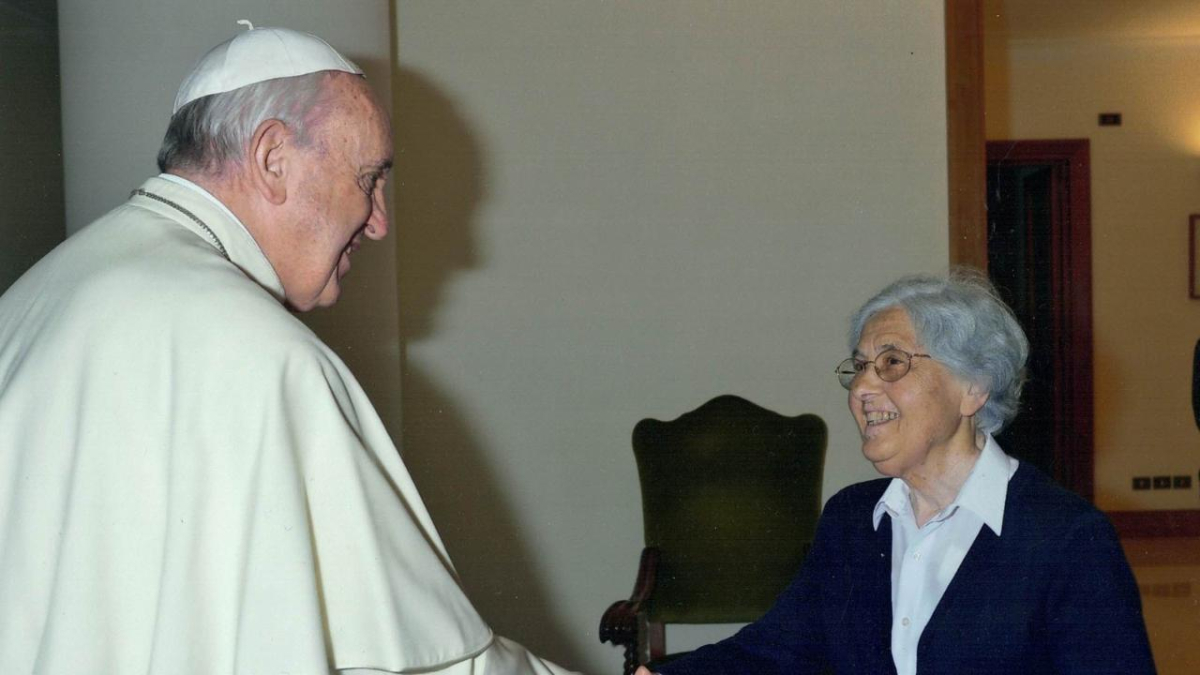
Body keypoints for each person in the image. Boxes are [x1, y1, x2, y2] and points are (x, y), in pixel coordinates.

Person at [0, 25, 574, 675]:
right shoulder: (262, 355)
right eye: (370, 178)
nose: (380, 220)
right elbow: (422, 664)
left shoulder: (38, 292)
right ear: (273, 159)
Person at [638, 270, 1155, 674]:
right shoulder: (852, 518)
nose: (862, 387)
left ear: (973, 387)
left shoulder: (1067, 541)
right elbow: (778, 648)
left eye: (891, 363)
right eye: (859, 366)